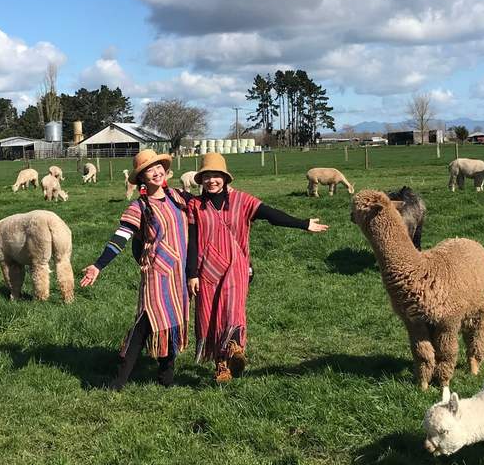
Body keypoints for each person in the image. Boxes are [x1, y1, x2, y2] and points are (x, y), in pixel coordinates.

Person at [186, 152, 327, 383]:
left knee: (232, 310)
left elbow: (271, 215)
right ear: (200, 180)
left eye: (217, 176)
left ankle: (234, 349)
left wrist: (303, 224)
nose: (212, 180)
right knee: (210, 318)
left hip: (236, 266)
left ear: (226, 178)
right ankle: (221, 366)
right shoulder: (194, 206)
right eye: (207, 176)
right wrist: (192, 274)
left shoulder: (242, 201)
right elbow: (192, 241)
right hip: (207, 270)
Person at [80, 148, 193, 390]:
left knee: (173, 322)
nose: (155, 172)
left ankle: (166, 376)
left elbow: (208, 212)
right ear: (141, 178)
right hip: (156, 273)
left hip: (179, 274)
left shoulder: (180, 197)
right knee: (145, 323)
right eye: (148, 170)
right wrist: (99, 265)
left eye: (158, 167)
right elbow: (120, 237)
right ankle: (119, 380)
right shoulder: (140, 207)